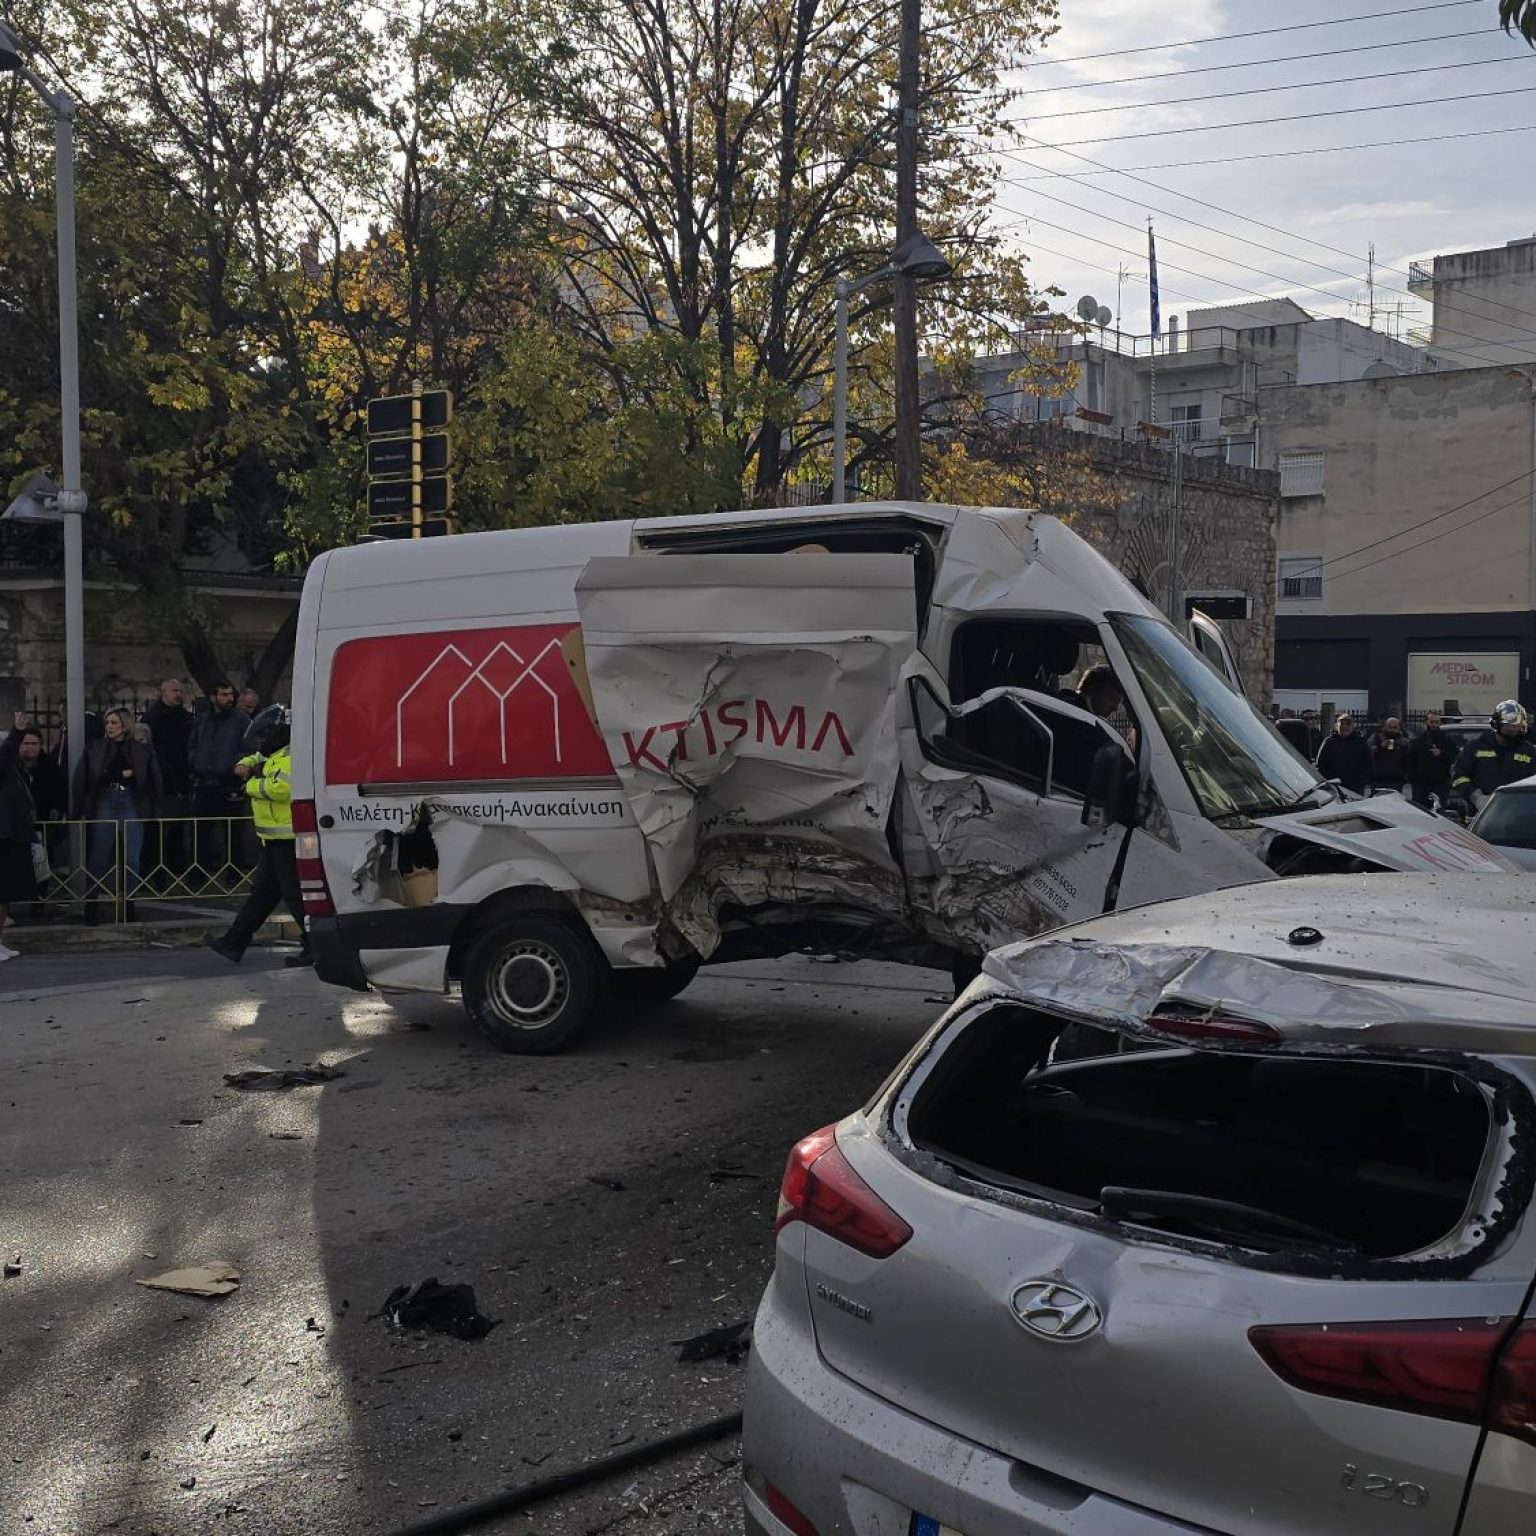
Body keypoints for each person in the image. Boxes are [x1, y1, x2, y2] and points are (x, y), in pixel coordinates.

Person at [204, 705, 312, 967]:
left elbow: (281, 789)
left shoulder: (290, 758)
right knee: (263, 894)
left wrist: (250, 786)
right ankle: (233, 942)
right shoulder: (277, 754)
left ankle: (317, 946)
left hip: (288, 839)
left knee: (294, 895)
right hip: (274, 839)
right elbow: (258, 756)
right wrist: (245, 763)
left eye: (266, 736)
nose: (262, 742)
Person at [71, 707, 163, 923]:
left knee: (132, 857)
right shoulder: (96, 748)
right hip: (105, 799)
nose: (110, 727)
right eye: (108, 723)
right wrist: (79, 808)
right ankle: (92, 904)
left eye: (114, 723)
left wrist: (154, 808)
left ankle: (129, 903)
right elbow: (85, 778)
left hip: (131, 800)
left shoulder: (140, 750)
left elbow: (153, 778)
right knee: (99, 855)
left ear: (125, 725)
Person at [189, 680, 249, 874]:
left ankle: (234, 872)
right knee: (200, 831)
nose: (229, 698)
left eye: (230, 694)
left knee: (233, 831)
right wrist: (195, 764)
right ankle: (199, 872)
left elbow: (249, 746)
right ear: (213, 697)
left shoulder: (240, 720)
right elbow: (193, 744)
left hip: (229, 781)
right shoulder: (202, 720)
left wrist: (238, 764)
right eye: (224, 694)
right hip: (205, 781)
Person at [0, 713, 41, 961]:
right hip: (3, 836)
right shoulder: (4, 764)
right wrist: (16, 731)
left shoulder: (12, 771)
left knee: (4, 895)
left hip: (12, 836)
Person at [143, 678, 193, 881]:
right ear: (162, 691)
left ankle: (176, 865)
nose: (178, 694)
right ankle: (154, 870)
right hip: (161, 780)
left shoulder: (185, 717)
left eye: (181, 690)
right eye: (174, 690)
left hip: (182, 778)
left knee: (177, 827)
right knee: (156, 829)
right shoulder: (153, 717)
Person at [1449, 700, 1536, 813]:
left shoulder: (1529, 751)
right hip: (1480, 815)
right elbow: (1458, 776)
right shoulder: (1475, 747)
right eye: (1509, 725)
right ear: (1497, 724)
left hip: (1518, 816)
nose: (1513, 729)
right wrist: (1476, 797)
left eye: (1517, 726)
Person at [1407, 711, 1456, 808]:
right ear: (1427, 722)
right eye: (1432, 722)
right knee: (1420, 810)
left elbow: (1454, 757)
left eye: (1436, 722)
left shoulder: (1447, 740)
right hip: (1420, 784)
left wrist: (1441, 754)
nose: (1434, 725)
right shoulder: (1418, 741)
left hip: (1440, 783)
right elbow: (1410, 760)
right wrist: (1412, 778)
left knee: (1438, 809)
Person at [1316, 713, 1371, 795]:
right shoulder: (1329, 742)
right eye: (1342, 723)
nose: (1344, 726)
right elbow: (1320, 764)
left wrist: (1364, 783)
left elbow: (1368, 765)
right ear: (1337, 725)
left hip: (1355, 788)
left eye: (1348, 724)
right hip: (1333, 788)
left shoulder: (1361, 743)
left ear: (1353, 726)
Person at [1367, 716, 1409, 795]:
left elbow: (1408, 759)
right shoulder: (1376, 738)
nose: (1392, 730)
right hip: (1378, 780)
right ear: (1385, 727)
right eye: (1390, 727)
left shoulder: (1404, 742)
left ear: (1399, 728)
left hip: (1396, 781)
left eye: (1395, 727)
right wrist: (1380, 747)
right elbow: (1367, 752)